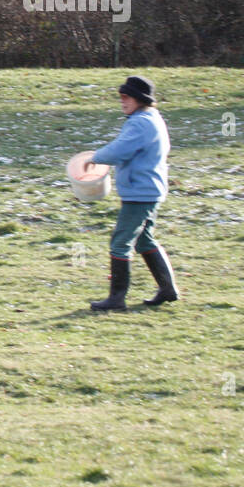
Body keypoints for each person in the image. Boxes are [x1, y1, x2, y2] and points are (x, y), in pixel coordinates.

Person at [85, 76, 179, 311]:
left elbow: (120, 150)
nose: (122, 101)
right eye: (121, 97)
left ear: (140, 99)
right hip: (149, 190)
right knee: (144, 239)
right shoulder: (151, 118)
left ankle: (116, 298)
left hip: (140, 193)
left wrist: (95, 158)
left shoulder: (141, 123)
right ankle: (167, 289)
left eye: (127, 97)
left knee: (120, 242)